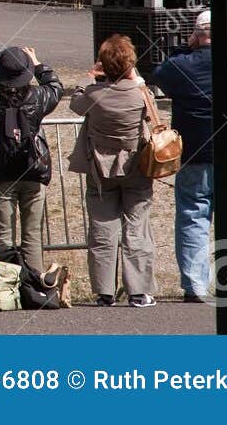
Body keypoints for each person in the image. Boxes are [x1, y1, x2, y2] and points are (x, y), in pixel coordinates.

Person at [69, 33, 156, 308]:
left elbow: (75, 102)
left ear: (103, 66)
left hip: (100, 169)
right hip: (136, 168)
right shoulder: (140, 95)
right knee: (136, 228)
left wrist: (89, 76)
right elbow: (154, 116)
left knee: (102, 228)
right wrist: (133, 75)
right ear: (130, 64)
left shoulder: (95, 96)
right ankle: (139, 291)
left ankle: (104, 291)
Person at [0, 45, 63, 274]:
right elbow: (55, 88)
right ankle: (33, 284)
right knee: (32, 236)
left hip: (1, 174)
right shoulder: (38, 98)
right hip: (33, 169)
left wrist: (3, 70)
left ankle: (5, 284)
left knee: (4, 237)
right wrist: (36, 64)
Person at [151, 9, 213, 302]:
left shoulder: (182, 66)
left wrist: (184, 46)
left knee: (193, 216)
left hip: (194, 154)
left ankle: (195, 285)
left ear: (198, 35)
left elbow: (160, 74)